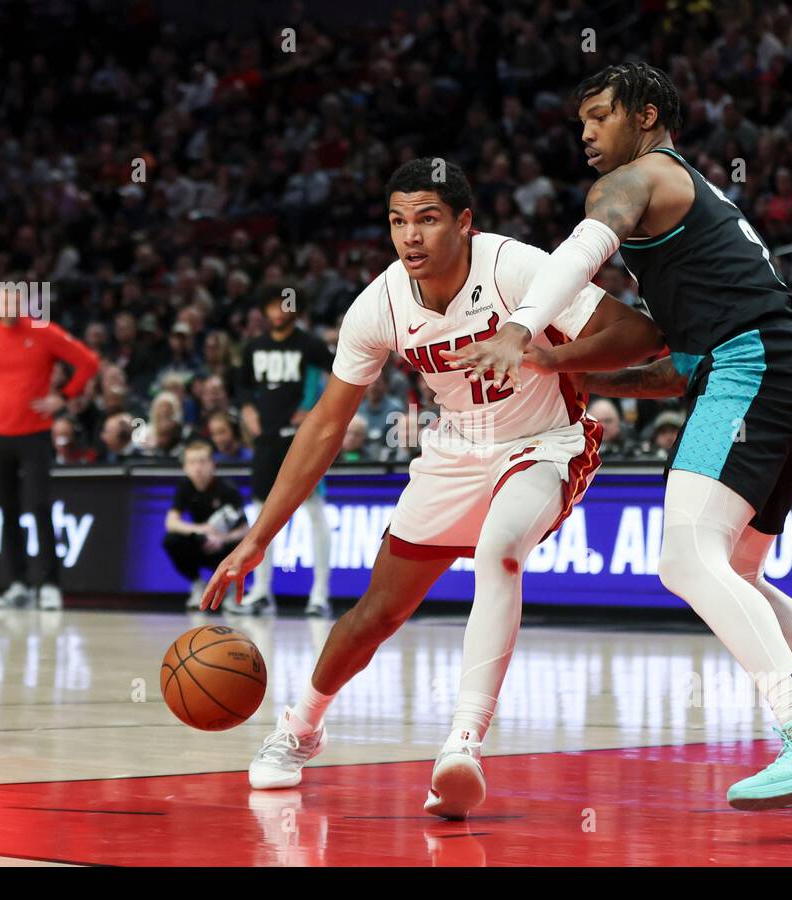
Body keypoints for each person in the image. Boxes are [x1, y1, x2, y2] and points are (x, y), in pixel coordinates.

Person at [449, 62, 792, 812]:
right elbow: (677, 370)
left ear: (646, 115)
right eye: (579, 123)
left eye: (599, 115)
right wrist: (566, 366)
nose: (586, 134)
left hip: (756, 365)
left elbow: (580, 251)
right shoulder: (696, 216)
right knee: (740, 574)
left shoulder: (642, 178)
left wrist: (516, 329)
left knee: (682, 557)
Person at [200, 158, 658, 819]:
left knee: (502, 548)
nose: (409, 236)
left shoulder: (511, 266)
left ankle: (462, 745)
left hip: (545, 442)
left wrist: (548, 356)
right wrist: (257, 539)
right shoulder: (379, 304)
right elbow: (325, 425)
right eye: (396, 221)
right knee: (375, 616)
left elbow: (640, 334)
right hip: (455, 450)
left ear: (464, 223)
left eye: (427, 219)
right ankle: (300, 728)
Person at [0, 285, 99, 610]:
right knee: (7, 510)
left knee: (40, 507)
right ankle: (17, 584)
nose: (10, 304)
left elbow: (88, 362)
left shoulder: (44, 331)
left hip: (35, 433)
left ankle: (50, 585)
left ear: (24, 302)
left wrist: (64, 397)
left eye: (15, 299)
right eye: (4, 299)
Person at [234, 291, 335, 617]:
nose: (279, 311)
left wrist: (317, 410)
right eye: (272, 304)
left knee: (315, 511)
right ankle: (261, 591)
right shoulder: (254, 346)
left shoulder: (310, 345)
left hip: (302, 439)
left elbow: (342, 378)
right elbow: (243, 386)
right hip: (266, 440)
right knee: (261, 515)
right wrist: (247, 410)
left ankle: (320, 593)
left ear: (296, 309)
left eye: (285, 304)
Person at [163, 441, 249, 609]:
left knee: (243, 547)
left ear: (212, 465)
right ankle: (197, 584)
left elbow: (245, 529)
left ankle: (231, 589)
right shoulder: (185, 486)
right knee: (171, 540)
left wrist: (222, 539)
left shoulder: (227, 489)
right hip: (202, 544)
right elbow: (171, 522)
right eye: (192, 463)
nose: (198, 468)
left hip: (225, 548)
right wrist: (200, 530)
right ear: (185, 467)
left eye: (202, 462)